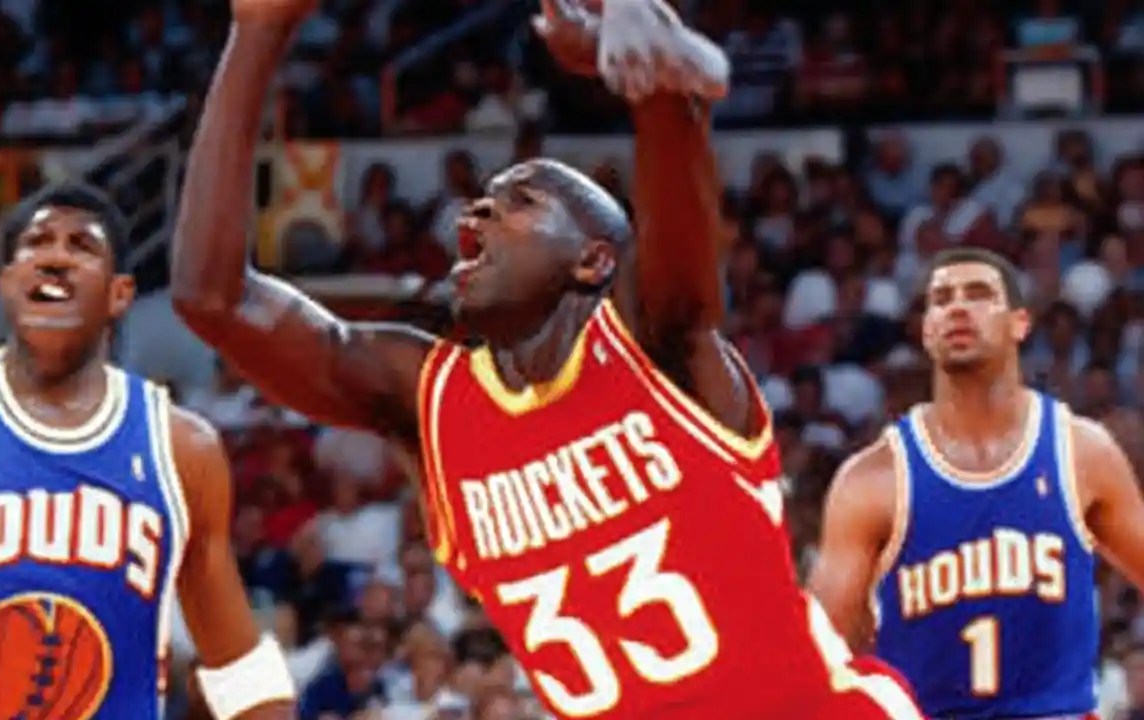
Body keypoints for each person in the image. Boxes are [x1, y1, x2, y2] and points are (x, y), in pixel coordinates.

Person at [171, 0, 922, 718]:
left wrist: (648, 73)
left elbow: (676, 191)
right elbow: (213, 299)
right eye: (478, 203)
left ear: (594, 260)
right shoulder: (429, 401)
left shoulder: (655, 346)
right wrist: (256, 32)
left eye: (520, 200)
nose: (474, 215)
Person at [0, 183, 295, 719]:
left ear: (119, 294)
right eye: (37, 243)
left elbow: (239, 668)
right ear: (8, 283)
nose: (55, 257)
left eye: (81, 247)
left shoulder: (181, 449)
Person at [809, 247, 1144, 718]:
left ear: (1019, 324)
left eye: (979, 294)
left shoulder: (1082, 452)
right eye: (942, 299)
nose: (958, 308)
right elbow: (822, 654)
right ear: (926, 331)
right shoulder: (872, 479)